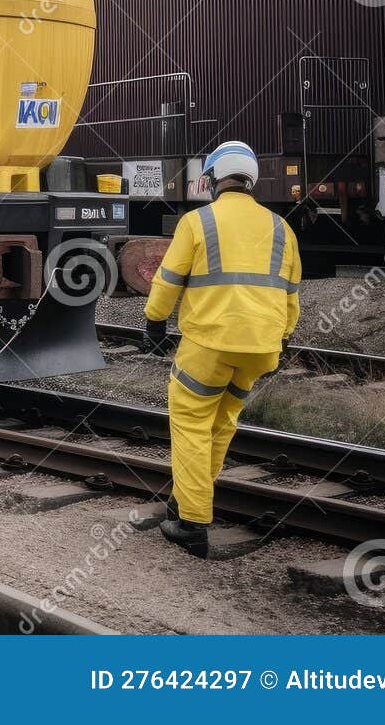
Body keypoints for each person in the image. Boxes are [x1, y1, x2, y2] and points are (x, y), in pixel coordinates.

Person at [144, 139, 301, 557]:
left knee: (192, 424)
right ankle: (185, 499)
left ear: (214, 178)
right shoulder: (281, 228)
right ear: (250, 180)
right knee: (221, 422)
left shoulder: (197, 221)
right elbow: (290, 294)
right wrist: (283, 338)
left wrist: (155, 320)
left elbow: (169, 278)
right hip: (261, 349)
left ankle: (192, 524)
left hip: (211, 343)